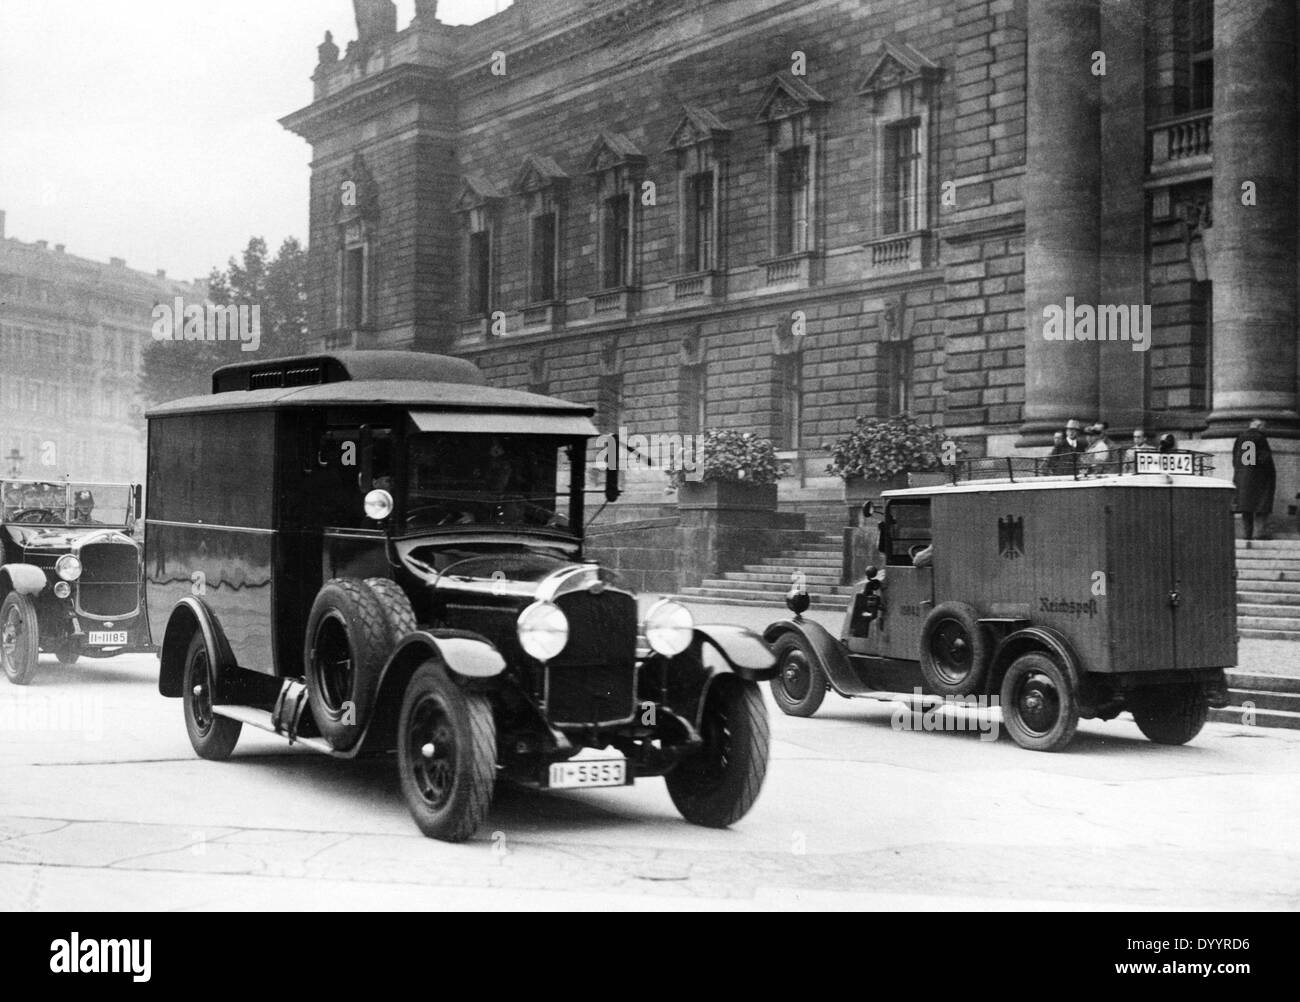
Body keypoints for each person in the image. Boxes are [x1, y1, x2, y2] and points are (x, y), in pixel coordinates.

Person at [1233, 418, 1276, 542]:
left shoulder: (1240, 437)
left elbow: (1235, 457)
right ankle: (1260, 533)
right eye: (1264, 427)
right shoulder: (1260, 438)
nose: (1265, 429)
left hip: (1242, 477)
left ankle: (1247, 533)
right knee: (1261, 505)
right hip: (1259, 478)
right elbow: (1264, 458)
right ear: (1259, 426)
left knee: (1246, 507)